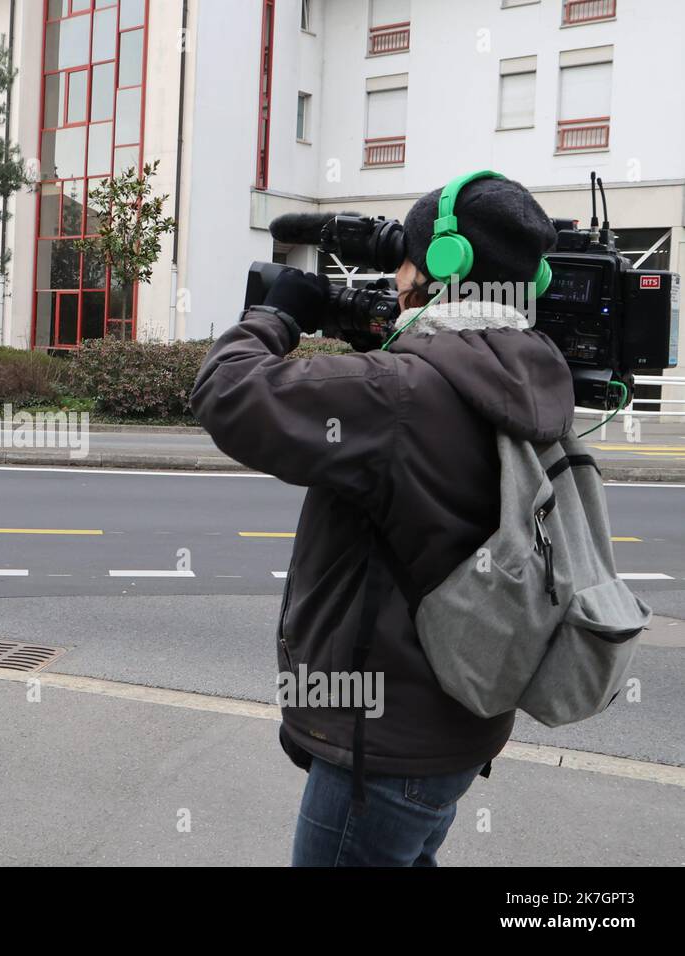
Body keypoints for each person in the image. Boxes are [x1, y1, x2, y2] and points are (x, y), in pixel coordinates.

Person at [190, 174, 572, 865]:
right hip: (457, 727)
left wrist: (276, 316)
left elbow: (226, 393)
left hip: (385, 745)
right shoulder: (528, 369)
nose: (396, 272)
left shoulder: (398, 394)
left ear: (445, 265)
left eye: (407, 256)